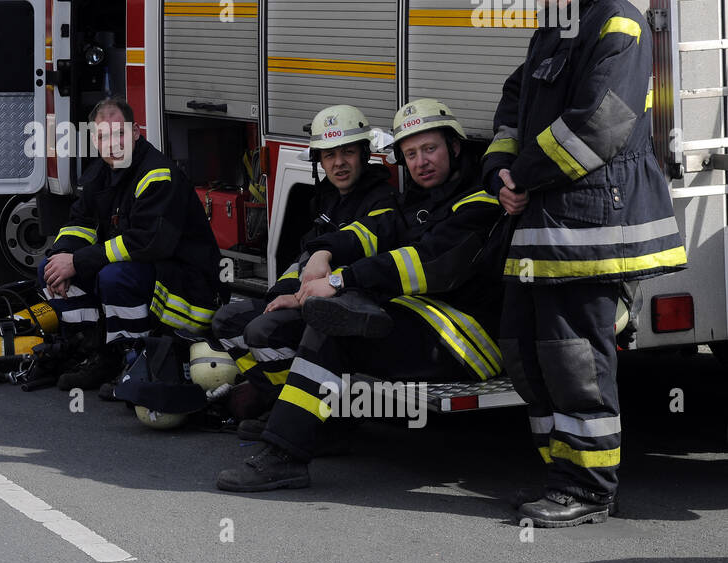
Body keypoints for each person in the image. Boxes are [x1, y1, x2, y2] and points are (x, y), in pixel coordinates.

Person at [485, 0, 687, 527]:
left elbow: (601, 124)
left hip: (595, 231)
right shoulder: (554, 27)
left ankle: (587, 490)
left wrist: (523, 176)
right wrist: (498, 169)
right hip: (547, 229)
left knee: (576, 360)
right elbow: (514, 102)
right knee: (525, 352)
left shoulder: (616, 23)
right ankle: (561, 472)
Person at [216, 98, 505, 493]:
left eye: (430, 148)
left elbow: (427, 263)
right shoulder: (415, 203)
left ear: (454, 147)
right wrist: (324, 253)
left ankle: (286, 454)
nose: (421, 162)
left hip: (467, 337)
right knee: (323, 323)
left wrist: (339, 282)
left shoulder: (479, 203)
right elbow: (371, 233)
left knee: (332, 330)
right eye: (411, 153)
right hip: (422, 321)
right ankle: (317, 428)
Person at [211, 104, 396, 428]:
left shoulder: (383, 201)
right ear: (319, 161)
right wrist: (281, 294)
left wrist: (313, 273)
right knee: (228, 321)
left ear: (365, 154)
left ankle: (315, 421)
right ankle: (282, 402)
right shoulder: (326, 198)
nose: (338, 163)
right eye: (329, 155)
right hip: (308, 300)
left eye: (348, 152)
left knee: (261, 331)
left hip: (343, 308)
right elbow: (302, 259)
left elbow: (362, 251)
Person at [39, 97, 227, 390]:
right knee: (50, 269)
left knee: (114, 276)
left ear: (137, 132)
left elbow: (148, 243)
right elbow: (80, 224)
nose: (112, 143)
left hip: (188, 290)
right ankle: (93, 352)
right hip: (150, 277)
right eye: (102, 136)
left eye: (119, 133)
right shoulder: (99, 175)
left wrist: (78, 262)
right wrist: (63, 255)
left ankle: (134, 361)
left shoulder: (157, 175)